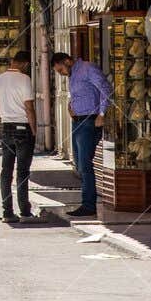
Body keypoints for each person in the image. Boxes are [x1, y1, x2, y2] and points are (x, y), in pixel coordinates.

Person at [53, 52, 113, 218]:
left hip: (89, 121)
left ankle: (88, 205)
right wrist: (71, 106)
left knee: (85, 164)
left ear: (67, 61)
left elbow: (105, 88)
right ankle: (87, 202)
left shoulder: (88, 69)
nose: (61, 74)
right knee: (79, 164)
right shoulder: (72, 75)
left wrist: (101, 114)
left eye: (60, 70)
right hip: (77, 120)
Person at [0, 51, 37, 224]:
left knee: (6, 171)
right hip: (23, 127)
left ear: (12, 62)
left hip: (6, 128)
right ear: (24, 64)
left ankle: (7, 212)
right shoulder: (25, 79)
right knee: (23, 171)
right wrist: (34, 129)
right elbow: (29, 107)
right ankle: (25, 210)